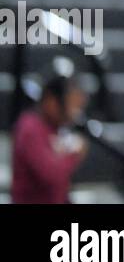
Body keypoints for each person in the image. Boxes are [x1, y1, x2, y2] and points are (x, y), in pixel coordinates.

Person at [10, 74, 89, 204]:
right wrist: (74, 154)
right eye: (71, 106)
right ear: (51, 102)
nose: (74, 115)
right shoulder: (30, 128)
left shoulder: (56, 129)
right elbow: (51, 175)